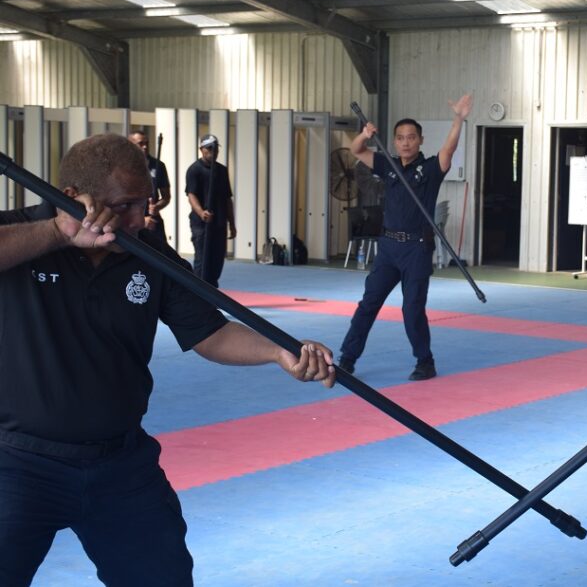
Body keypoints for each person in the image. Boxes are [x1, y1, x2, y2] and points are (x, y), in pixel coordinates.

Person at [0, 133, 336, 587]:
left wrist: (278, 352)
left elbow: (210, 332)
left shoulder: (149, 252)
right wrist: (56, 232)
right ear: (75, 198)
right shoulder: (23, 233)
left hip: (121, 466)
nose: (141, 218)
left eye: (146, 202)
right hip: (19, 465)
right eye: (124, 205)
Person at [338, 94, 472, 381]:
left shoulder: (431, 169)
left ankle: (425, 361)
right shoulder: (387, 165)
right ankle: (347, 359)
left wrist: (458, 119)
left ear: (420, 140)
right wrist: (364, 134)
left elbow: (449, 149)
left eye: (411, 137)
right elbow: (356, 150)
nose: (405, 142)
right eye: (400, 138)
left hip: (416, 249)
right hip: (388, 248)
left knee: (412, 309)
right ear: (395, 141)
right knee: (368, 303)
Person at [185, 134, 235, 287]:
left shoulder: (221, 171)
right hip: (201, 224)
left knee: (217, 260)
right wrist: (201, 212)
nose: (213, 152)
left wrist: (231, 223)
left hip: (219, 223)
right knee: (202, 259)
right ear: (201, 149)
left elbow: (227, 198)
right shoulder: (194, 170)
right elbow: (191, 195)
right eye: (209, 148)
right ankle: (198, 292)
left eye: (215, 148)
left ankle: (212, 291)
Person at [128, 130, 171, 242]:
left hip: (153, 220)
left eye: (147, 143)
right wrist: (141, 219)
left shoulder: (158, 166)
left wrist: (157, 206)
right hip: (130, 221)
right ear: (131, 145)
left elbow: (166, 197)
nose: (145, 146)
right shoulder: (123, 167)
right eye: (141, 143)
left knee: (162, 253)